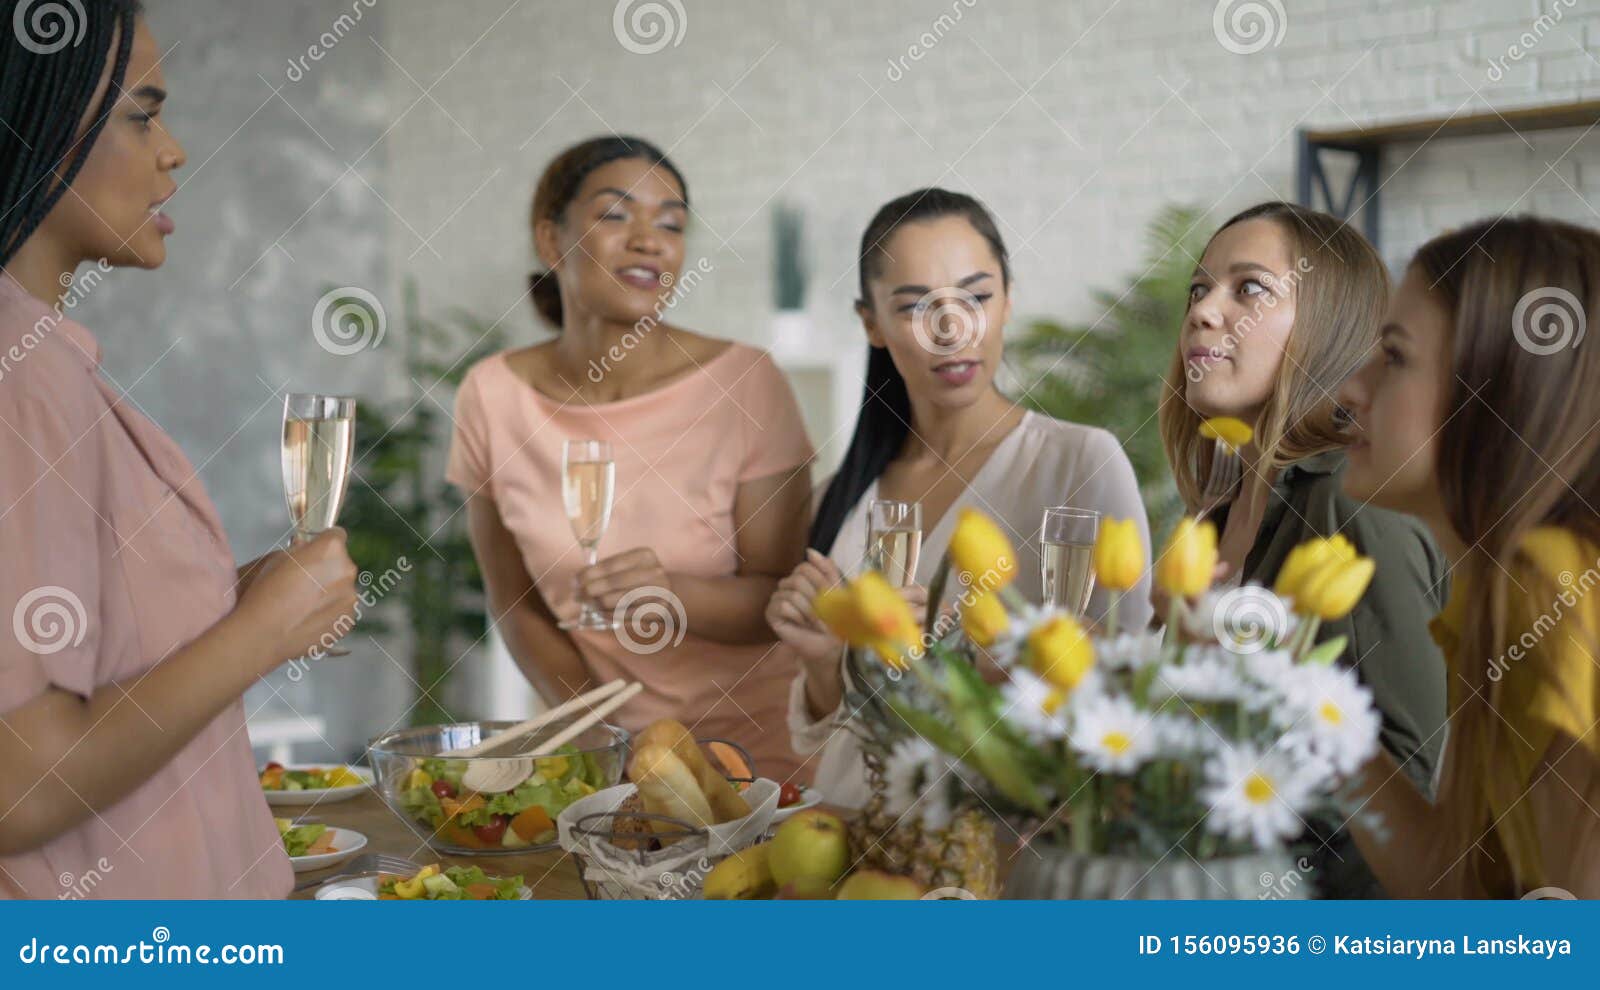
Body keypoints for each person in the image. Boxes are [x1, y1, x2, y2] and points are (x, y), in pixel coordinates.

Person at [0, 1, 359, 898]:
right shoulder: (20, 377)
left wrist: (240, 606)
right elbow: (22, 783)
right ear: (34, 118)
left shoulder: (45, 360)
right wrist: (263, 630)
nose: (173, 150)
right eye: (143, 113)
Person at [775, 188, 1154, 808]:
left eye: (976, 296)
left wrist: (949, 654)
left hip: (1001, 851)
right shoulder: (841, 500)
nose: (951, 329)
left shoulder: (1079, 462)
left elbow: (1124, 687)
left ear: (1008, 301)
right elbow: (828, 741)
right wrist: (823, 664)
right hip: (847, 842)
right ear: (871, 322)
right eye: (915, 306)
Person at [447, 136, 813, 778]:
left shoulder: (747, 383)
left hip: (755, 764)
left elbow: (779, 603)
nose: (650, 239)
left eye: (671, 223)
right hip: (602, 764)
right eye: (616, 214)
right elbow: (517, 604)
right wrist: (602, 737)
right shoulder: (491, 395)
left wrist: (673, 595)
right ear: (551, 241)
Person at [1160, 202, 1448, 896]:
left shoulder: (1351, 508)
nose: (1204, 312)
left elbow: (1418, 784)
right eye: (1199, 290)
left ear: (1329, 328)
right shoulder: (1208, 521)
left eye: (1248, 289)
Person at [1338, 216, 1600, 898]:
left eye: (1394, 357)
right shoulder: (1491, 588)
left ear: (1501, 388)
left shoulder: (1548, 583)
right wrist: (1305, 705)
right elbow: (1447, 878)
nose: (1350, 391)